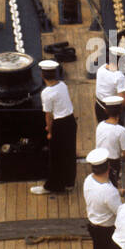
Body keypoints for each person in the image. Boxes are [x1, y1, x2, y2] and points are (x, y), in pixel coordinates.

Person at [31, 60, 76, 195]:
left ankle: (53, 186)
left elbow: (48, 115)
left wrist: (49, 131)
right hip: (70, 121)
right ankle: (69, 182)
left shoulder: (46, 93)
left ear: (42, 75)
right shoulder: (62, 85)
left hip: (59, 125)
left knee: (55, 157)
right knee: (69, 153)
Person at [83, 147, 121, 249]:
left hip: (94, 226)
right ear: (108, 167)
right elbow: (119, 212)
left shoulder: (88, 180)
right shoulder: (109, 192)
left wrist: (117, 191)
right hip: (107, 230)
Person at [94, 96, 125, 189]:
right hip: (113, 162)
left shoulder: (100, 126)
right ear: (120, 111)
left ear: (106, 111)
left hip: (99, 160)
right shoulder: (121, 131)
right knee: (112, 187)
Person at [93, 45, 125, 122]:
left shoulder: (101, 68)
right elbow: (123, 100)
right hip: (111, 110)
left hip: (98, 106)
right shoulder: (119, 76)